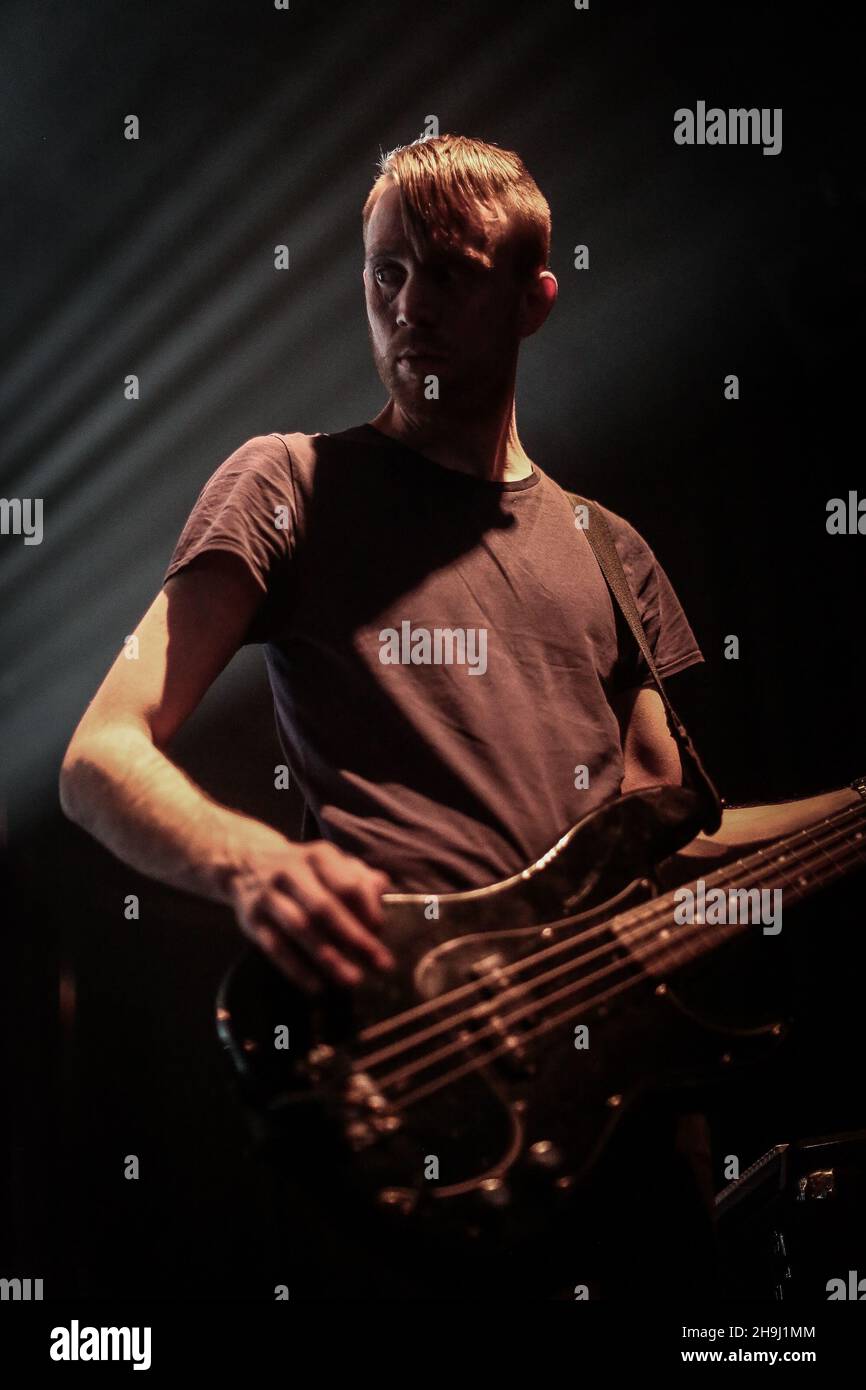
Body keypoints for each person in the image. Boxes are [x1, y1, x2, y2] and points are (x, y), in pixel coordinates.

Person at [59, 132, 857, 1299]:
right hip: (427, 1077)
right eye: (384, 272)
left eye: (447, 272)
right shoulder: (287, 484)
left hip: (628, 1128)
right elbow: (97, 753)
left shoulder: (608, 548)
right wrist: (249, 863)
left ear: (531, 299)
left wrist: (849, 815)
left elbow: (672, 841)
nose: (407, 307)